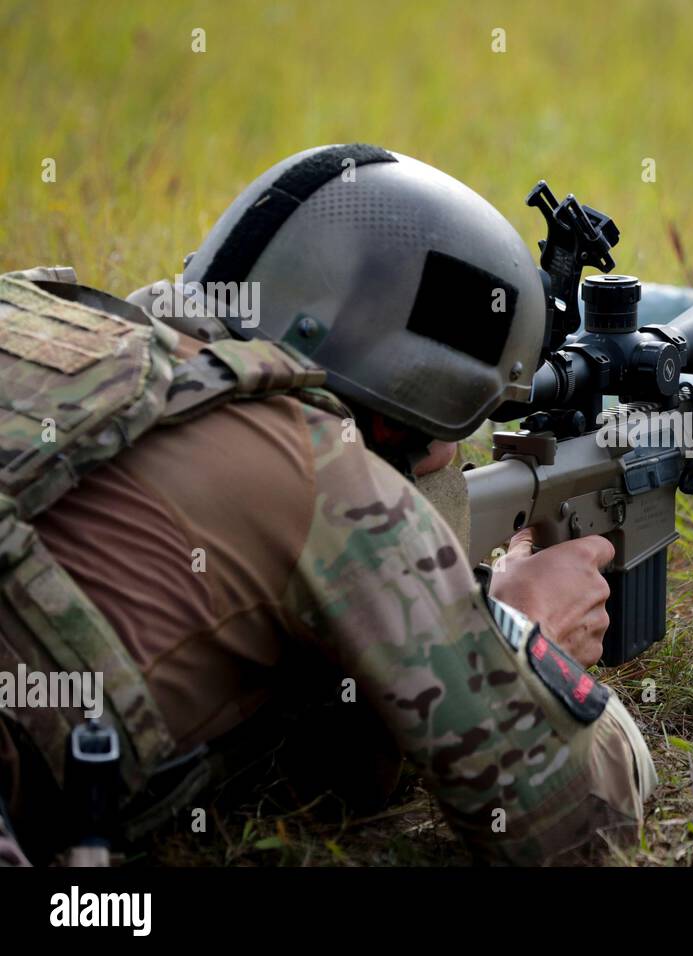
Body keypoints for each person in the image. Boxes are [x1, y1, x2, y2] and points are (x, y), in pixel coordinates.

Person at [0, 144, 655, 866]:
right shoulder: (324, 473)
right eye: (462, 422)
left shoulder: (47, 325)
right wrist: (524, 632)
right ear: (400, 414)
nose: (452, 455)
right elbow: (586, 819)